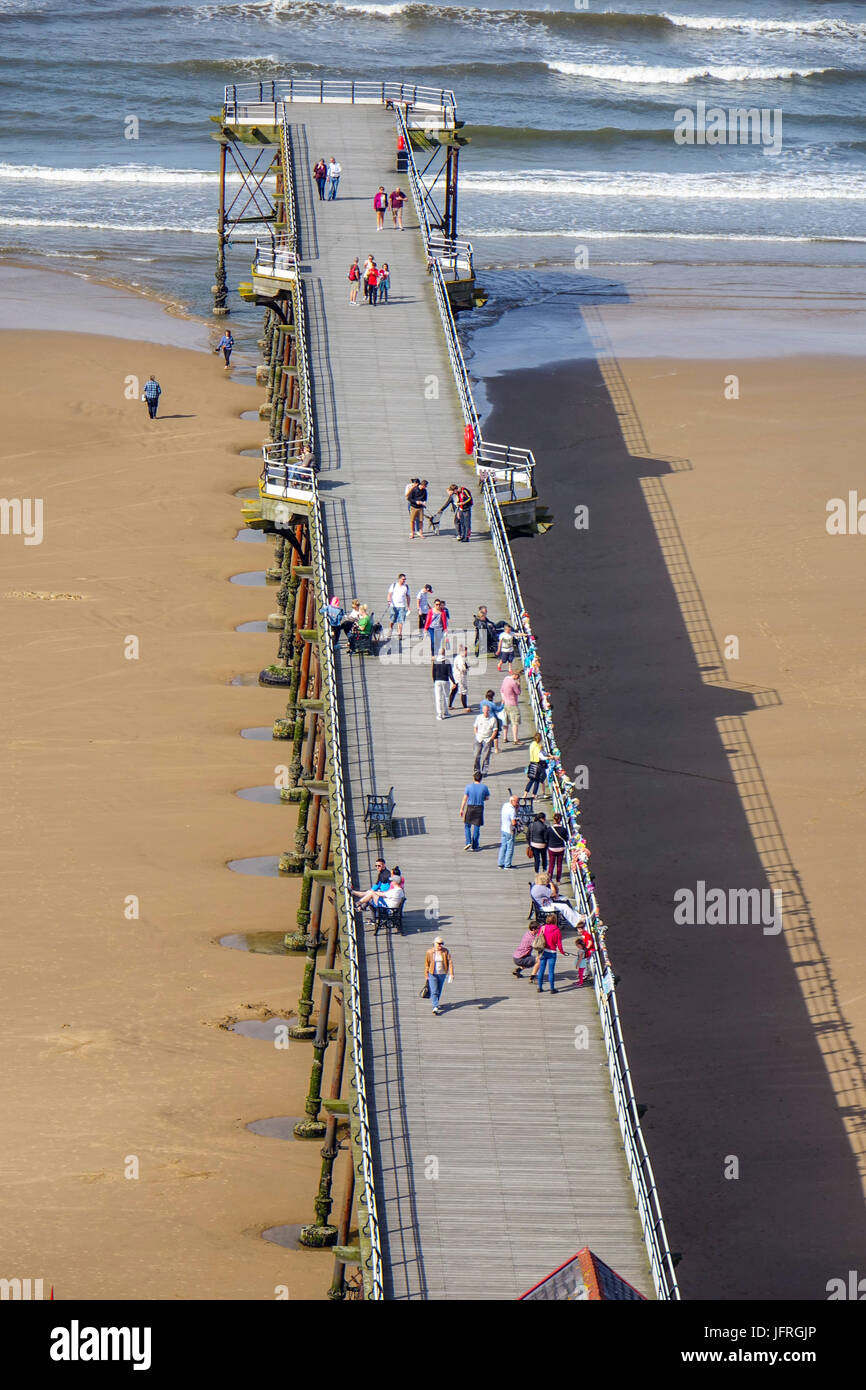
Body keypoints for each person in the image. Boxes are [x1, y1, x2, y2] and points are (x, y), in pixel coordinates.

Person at [536, 913, 566, 993]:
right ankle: (552, 989)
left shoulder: (543, 928)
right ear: (555, 920)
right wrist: (562, 952)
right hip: (552, 952)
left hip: (543, 951)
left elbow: (539, 937)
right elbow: (559, 943)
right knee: (551, 971)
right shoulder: (557, 930)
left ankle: (540, 987)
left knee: (541, 969)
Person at [459, 770, 489, 851]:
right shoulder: (484, 787)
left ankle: (468, 841)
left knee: (467, 825)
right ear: (481, 779)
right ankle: (475, 845)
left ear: (474, 778)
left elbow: (465, 799)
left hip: (470, 807)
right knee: (477, 826)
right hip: (479, 807)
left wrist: (461, 809)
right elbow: (487, 798)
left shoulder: (468, 787)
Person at [424, 935, 453, 1015]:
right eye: (439, 943)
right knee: (434, 990)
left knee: (439, 990)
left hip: (442, 973)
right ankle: (435, 1006)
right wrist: (426, 974)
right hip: (432, 973)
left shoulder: (445, 951)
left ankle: (436, 1002)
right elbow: (427, 963)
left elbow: (450, 962)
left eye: (441, 943)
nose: (440, 945)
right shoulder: (429, 952)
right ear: (434, 943)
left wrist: (451, 974)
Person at [473, 702, 498, 777]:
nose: (486, 712)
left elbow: (495, 730)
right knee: (476, 755)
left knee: (486, 756)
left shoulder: (493, 719)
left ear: (489, 711)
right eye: (485, 710)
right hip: (479, 738)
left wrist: (491, 739)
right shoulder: (479, 717)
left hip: (488, 739)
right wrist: (476, 735)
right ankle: (476, 770)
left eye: (487, 710)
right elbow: (475, 727)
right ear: (482, 710)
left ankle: (484, 771)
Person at [498, 794, 520, 869]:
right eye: (517, 802)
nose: (517, 804)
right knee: (510, 848)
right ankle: (507, 864)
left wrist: (516, 808)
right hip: (510, 830)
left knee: (503, 846)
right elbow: (513, 822)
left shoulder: (505, 805)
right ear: (512, 801)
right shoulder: (511, 810)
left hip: (503, 829)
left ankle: (500, 863)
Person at [500, 668, 521, 745]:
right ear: (515, 675)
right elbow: (518, 692)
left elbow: (501, 690)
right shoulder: (513, 683)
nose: (518, 678)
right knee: (515, 722)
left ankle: (504, 738)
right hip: (513, 704)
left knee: (506, 721)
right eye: (518, 676)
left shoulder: (505, 679)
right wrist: (518, 685)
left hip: (505, 703)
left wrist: (503, 699)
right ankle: (515, 739)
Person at [431, 648, 454, 720]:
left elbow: (433, 673)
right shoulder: (447, 661)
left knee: (438, 698)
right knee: (445, 697)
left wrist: (435, 680)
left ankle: (439, 714)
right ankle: (446, 712)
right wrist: (454, 682)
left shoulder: (435, 661)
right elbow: (450, 674)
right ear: (444, 653)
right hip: (445, 681)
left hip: (437, 681)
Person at [545, 811, 568, 883]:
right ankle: (558, 880)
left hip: (552, 848)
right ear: (560, 820)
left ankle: (550, 879)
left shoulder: (549, 829)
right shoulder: (564, 829)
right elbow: (566, 839)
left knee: (551, 865)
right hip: (561, 848)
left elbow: (546, 838)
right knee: (559, 865)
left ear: (553, 820)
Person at [386, 573, 410, 639]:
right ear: (399, 579)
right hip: (393, 605)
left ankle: (399, 633)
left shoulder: (406, 587)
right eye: (403, 579)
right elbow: (389, 594)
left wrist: (408, 606)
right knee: (392, 619)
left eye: (405, 579)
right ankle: (390, 629)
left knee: (401, 620)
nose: (404, 580)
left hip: (402, 605)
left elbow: (408, 597)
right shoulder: (393, 585)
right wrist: (389, 601)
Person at [449, 643, 469, 710]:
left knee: (454, 690)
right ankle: (465, 707)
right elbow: (462, 668)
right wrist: (466, 668)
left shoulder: (459, 657)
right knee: (463, 691)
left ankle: (450, 705)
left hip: (455, 676)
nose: (467, 652)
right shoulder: (461, 659)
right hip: (460, 677)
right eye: (466, 651)